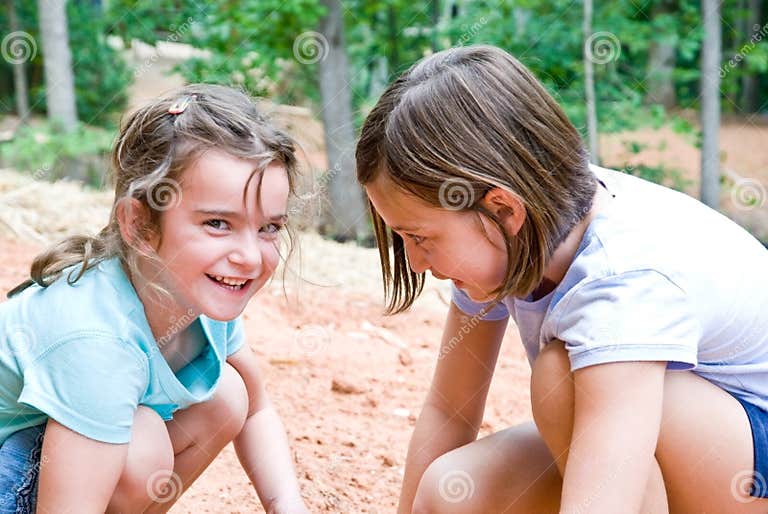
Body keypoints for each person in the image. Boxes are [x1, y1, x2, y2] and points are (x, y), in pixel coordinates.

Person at [356, 45, 768, 514]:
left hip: (751, 446)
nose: (414, 261)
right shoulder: (515, 234)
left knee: (561, 376)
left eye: (420, 237)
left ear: (503, 208)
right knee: (448, 491)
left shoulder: (621, 282)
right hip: (689, 437)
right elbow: (450, 410)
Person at [0, 84, 309, 514]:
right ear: (139, 224)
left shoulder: (198, 289)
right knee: (142, 442)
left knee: (228, 395)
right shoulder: (96, 339)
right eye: (218, 223)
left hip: (48, 462)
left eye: (269, 228)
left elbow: (255, 411)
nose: (249, 256)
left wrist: (286, 505)